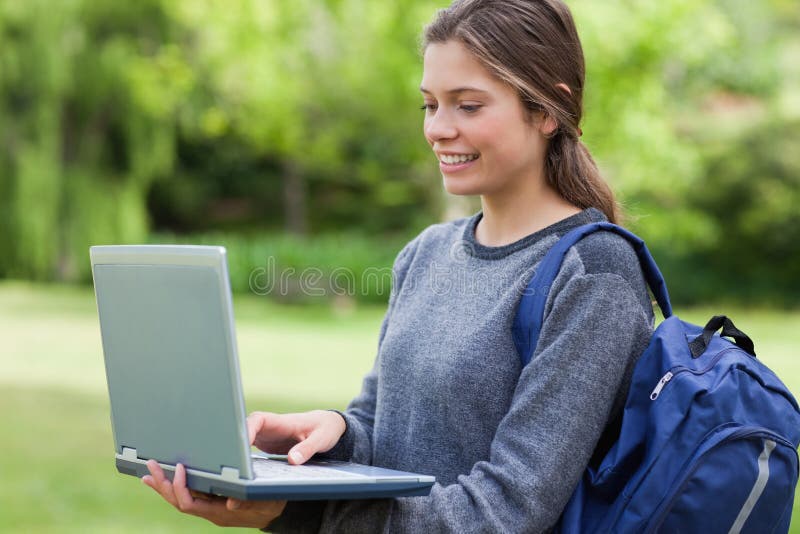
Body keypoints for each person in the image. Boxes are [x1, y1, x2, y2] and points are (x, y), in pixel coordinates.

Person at [143, 0, 655, 531]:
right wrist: (333, 436)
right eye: (430, 105)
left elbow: (505, 512)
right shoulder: (427, 252)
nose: (438, 129)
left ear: (549, 109)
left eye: (468, 106)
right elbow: (382, 431)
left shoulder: (594, 273)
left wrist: (301, 512)